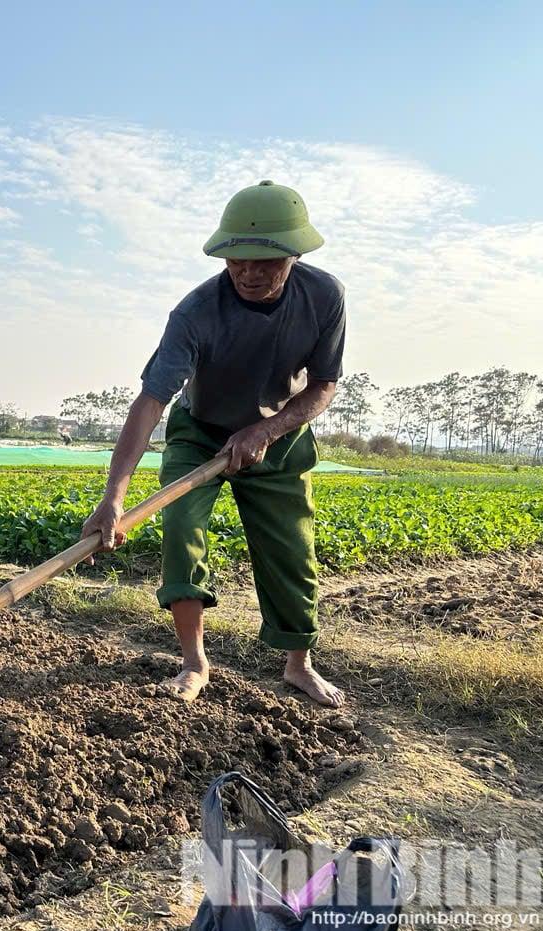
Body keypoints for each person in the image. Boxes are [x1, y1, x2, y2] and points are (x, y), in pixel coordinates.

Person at [81, 180, 346, 707]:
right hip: (200, 434)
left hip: (281, 434)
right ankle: (194, 662)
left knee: (291, 547)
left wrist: (266, 430)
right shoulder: (195, 313)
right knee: (180, 527)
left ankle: (298, 665)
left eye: (263, 263)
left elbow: (323, 386)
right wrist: (113, 497)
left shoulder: (323, 297)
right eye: (236, 261)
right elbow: (152, 401)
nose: (248, 273)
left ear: (293, 254)